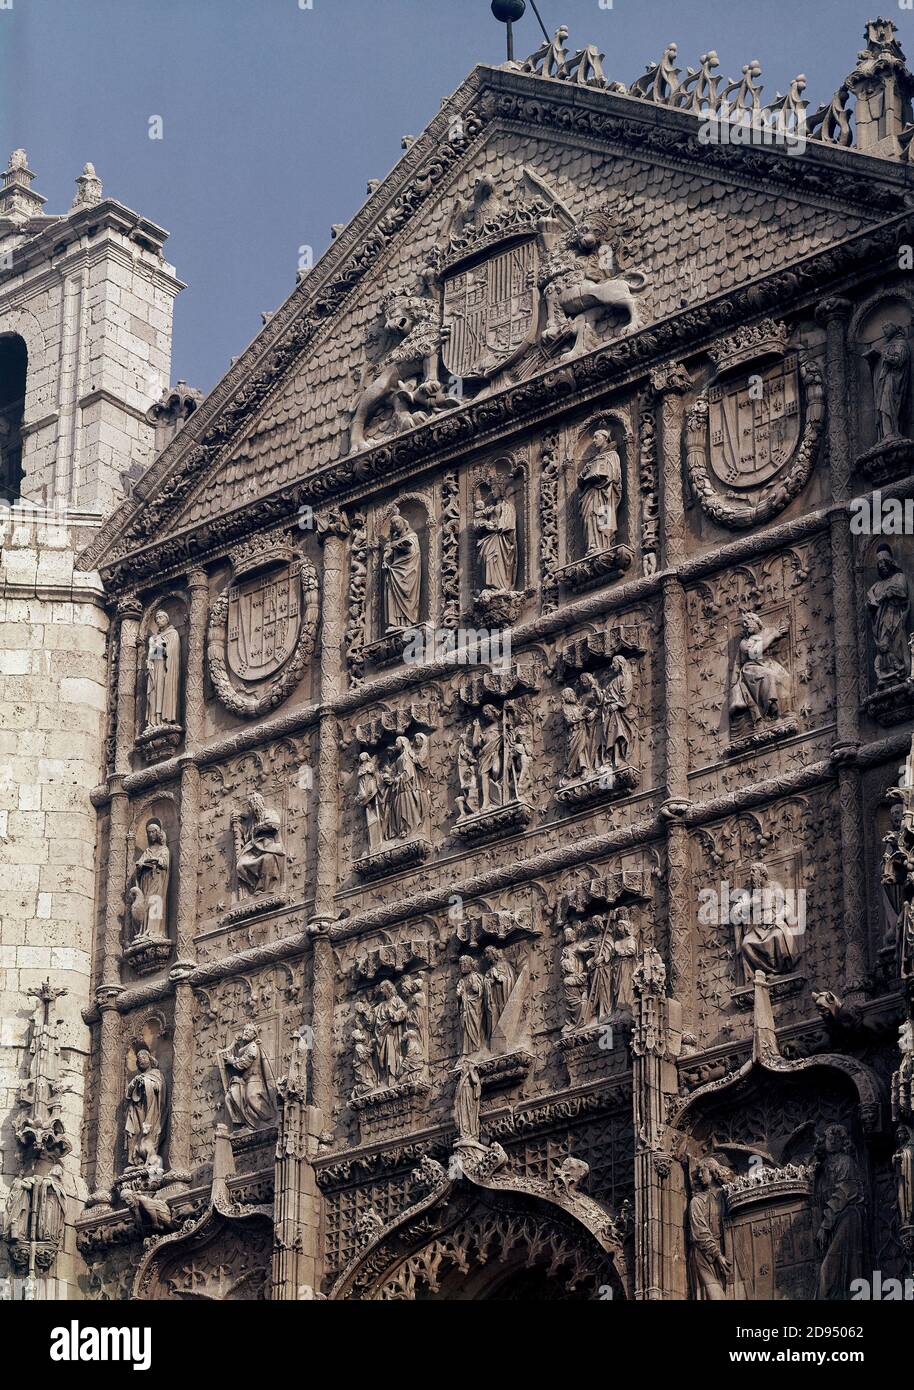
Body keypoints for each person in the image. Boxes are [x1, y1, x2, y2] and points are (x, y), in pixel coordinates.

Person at [867, 544, 910, 688]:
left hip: (895, 617)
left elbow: (902, 591)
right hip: (880, 621)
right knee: (883, 646)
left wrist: (886, 595)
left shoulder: (899, 577)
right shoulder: (876, 586)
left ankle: (899, 673)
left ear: (890, 563)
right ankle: (885, 675)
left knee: (896, 645)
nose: (882, 567)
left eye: (885, 563)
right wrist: (871, 604)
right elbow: (870, 602)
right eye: (879, 565)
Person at [218, 1025, 276, 1129]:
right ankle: (247, 1122)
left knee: (251, 1097)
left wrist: (232, 1061)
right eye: (245, 1030)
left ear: (254, 1035)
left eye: (249, 1030)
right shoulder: (244, 1048)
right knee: (231, 1096)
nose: (246, 1032)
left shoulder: (252, 1046)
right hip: (246, 1079)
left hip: (254, 1078)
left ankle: (268, 1120)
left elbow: (244, 1063)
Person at [578, 428, 622, 554]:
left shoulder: (612, 455)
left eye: (596, 437)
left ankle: (604, 545)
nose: (594, 440)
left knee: (602, 517)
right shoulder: (595, 460)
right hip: (590, 493)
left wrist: (601, 476)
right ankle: (592, 544)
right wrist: (583, 476)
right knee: (590, 517)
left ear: (605, 438)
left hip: (604, 494)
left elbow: (614, 475)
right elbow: (581, 479)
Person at [124, 1048, 167, 1167]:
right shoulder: (137, 1077)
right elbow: (128, 1095)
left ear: (150, 1059)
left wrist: (147, 1083)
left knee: (149, 1133)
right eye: (139, 1059)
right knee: (136, 1134)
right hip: (138, 1111)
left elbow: (160, 1089)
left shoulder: (157, 1074)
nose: (141, 1060)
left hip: (152, 1109)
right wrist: (134, 1084)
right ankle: (137, 1160)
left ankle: (150, 1160)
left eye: (144, 1058)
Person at [381, 508, 422, 630]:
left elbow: (414, 553)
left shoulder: (412, 537)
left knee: (408, 595)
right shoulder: (392, 542)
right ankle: (396, 623)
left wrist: (401, 547)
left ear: (404, 524)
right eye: (393, 524)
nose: (395, 525)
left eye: (397, 523)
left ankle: (408, 623)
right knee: (393, 595)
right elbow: (388, 557)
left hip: (409, 570)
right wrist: (386, 561)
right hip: (395, 571)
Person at [145, 610, 181, 728]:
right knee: (155, 692)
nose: (159, 621)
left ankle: (164, 719)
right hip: (156, 668)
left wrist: (162, 645)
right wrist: (150, 662)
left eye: (161, 618)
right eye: (157, 619)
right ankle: (154, 720)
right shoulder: (155, 637)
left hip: (166, 668)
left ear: (167, 619)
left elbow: (173, 651)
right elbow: (153, 655)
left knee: (163, 691)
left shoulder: (173, 634)